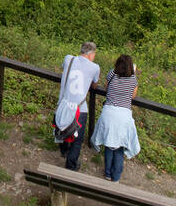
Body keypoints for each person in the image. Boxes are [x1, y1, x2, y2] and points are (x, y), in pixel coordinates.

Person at [90, 54, 140, 182]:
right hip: (124, 115)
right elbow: (133, 96)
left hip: (109, 113)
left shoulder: (112, 73)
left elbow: (107, 88)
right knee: (119, 147)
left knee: (109, 143)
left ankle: (107, 173)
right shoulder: (133, 79)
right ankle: (116, 177)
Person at [53, 42, 100, 171]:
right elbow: (95, 84)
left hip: (64, 103)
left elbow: (65, 68)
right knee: (77, 139)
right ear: (91, 54)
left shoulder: (69, 58)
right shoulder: (95, 67)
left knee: (62, 128)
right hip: (80, 108)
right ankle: (71, 165)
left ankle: (64, 151)